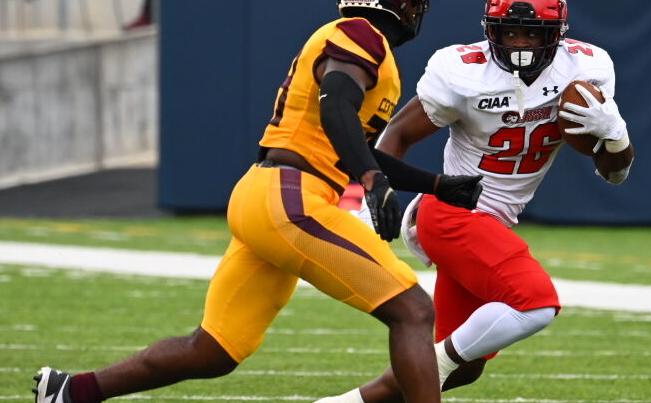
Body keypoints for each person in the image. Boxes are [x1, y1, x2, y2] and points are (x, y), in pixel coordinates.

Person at [32, 1, 485, 402]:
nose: (416, 7)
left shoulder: (361, 44)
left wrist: (436, 185)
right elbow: (336, 109)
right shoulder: (360, 34)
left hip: (266, 195)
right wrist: (370, 179)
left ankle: (75, 391)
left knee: (214, 349)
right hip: (293, 196)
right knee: (413, 311)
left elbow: (353, 142)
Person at [316, 0, 635, 401]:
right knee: (535, 303)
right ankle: (435, 365)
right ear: (491, 31)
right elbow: (399, 133)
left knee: (465, 368)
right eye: (511, 31)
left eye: (533, 32)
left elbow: (614, 173)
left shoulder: (587, 69)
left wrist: (617, 135)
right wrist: (368, 196)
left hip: (490, 225)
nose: (521, 43)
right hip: (453, 213)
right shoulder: (464, 72)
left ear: (557, 34)